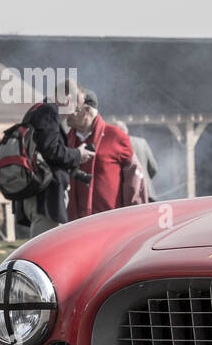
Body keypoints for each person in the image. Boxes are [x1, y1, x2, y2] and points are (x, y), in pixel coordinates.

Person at [16, 80, 94, 236]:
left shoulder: (39, 110)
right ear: (66, 98)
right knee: (45, 250)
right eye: (76, 106)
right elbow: (52, 151)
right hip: (46, 198)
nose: (74, 113)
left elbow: (46, 151)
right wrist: (78, 154)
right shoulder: (49, 112)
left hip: (40, 194)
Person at [65, 89, 135, 220]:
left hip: (110, 219)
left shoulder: (117, 137)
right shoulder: (64, 141)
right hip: (74, 222)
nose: (67, 113)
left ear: (87, 111)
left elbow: (133, 179)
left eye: (73, 109)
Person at [116, 121, 158, 199]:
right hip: (148, 193)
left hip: (130, 197)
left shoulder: (116, 145)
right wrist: (144, 179)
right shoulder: (142, 142)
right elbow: (153, 168)